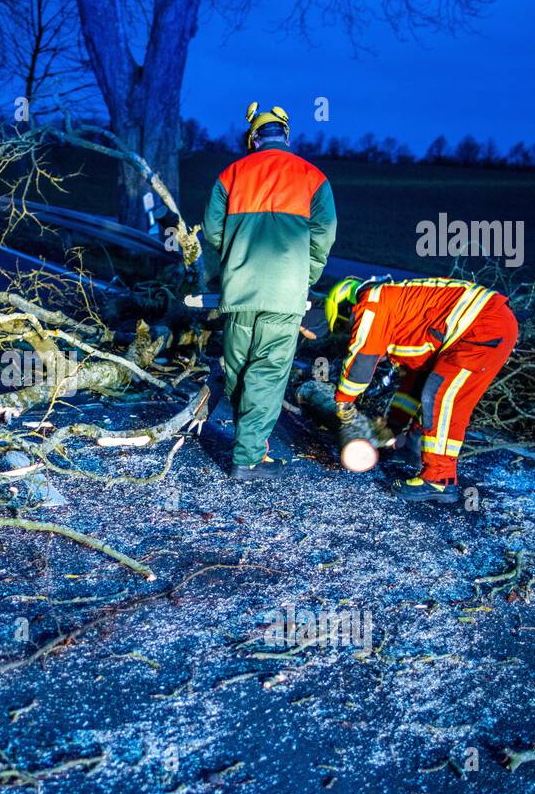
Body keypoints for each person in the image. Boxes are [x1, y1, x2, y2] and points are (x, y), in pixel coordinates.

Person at [201, 102, 337, 479]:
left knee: (239, 370)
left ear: (254, 138)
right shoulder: (313, 177)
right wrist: (302, 275)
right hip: (284, 295)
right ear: (286, 136)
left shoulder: (231, 174)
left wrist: (235, 261)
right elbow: (323, 237)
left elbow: (212, 232)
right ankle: (247, 457)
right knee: (268, 372)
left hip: (239, 292)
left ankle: (250, 444)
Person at [324, 276, 518, 502]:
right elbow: (415, 382)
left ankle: (440, 479)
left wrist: (344, 400)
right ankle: (413, 450)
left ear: (347, 309)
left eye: (347, 326)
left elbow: (362, 357)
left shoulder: (373, 303)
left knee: (442, 396)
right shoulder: (404, 316)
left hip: (483, 326)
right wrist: (393, 426)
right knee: (430, 387)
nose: (353, 333)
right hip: (484, 323)